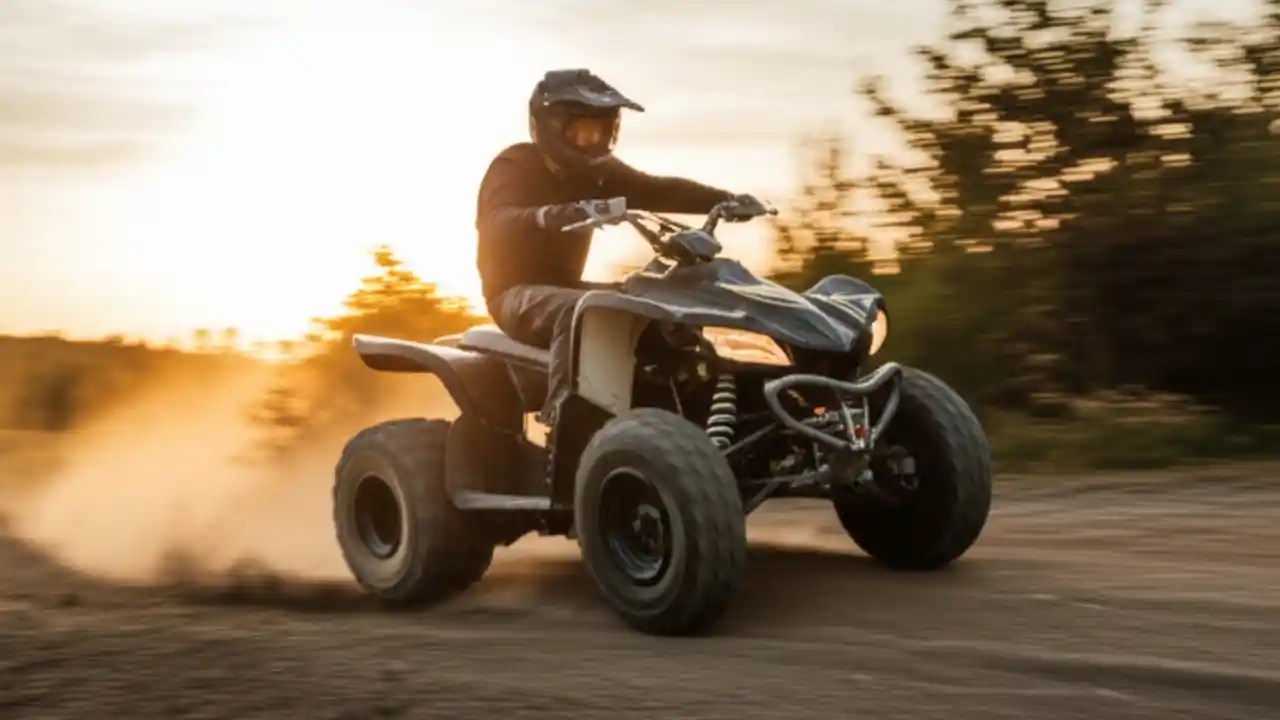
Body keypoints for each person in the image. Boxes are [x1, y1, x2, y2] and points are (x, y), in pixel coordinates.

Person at [475, 68, 763, 426]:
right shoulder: (514, 165)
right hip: (514, 293)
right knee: (585, 312)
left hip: (568, 288)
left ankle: (690, 414)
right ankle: (567, 420)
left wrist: (724, 199)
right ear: (550, 127)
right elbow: (497, 219)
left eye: (601, 130)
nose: (593, 140)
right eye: (582, 131)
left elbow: (657, 189)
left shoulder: (600, 174)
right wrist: (549, 215)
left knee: (659, 307)